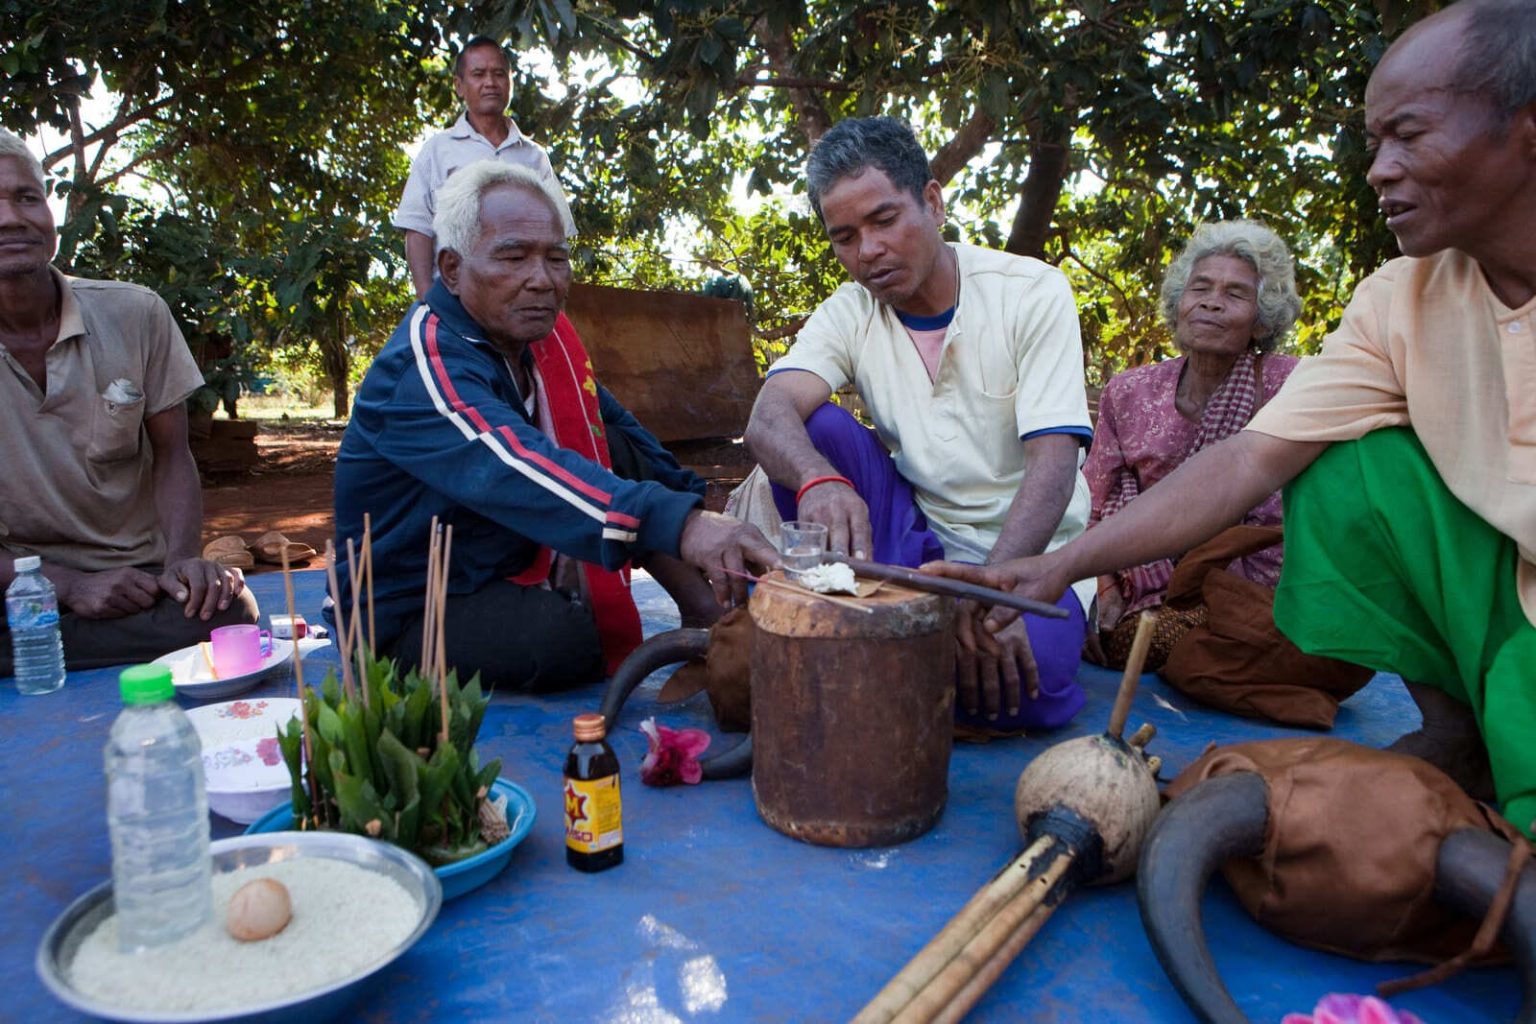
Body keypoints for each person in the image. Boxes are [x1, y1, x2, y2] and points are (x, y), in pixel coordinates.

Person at [927, 0, 1536, 833]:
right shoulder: (1399, 300)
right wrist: (1058, 568)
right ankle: (1460, 731)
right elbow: (1253, 459)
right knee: (1345, 459)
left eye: (1410, 134)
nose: (1379, 171)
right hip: (1487, 602)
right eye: (1373, 144)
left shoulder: (1286, 364)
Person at [336, 161, 777, 691]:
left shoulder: (533, 342)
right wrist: (681, 527)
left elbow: (616, 432)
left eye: (556, 258)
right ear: (451, 269)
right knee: (564, 640)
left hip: (499, 561)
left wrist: (694, 509)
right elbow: (516, 466)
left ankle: (704, 610)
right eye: (514, 257)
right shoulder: (424, 365)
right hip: (412, 605)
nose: (541, 280)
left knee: (609, 442)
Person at [743, 116, 1094, 731]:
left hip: (1023, 560)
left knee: (1025, 684)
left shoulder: (1031, 292)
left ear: (932, 201)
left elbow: (1055, 467)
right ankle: (902, 647)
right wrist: (818, 480)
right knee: (814, 433)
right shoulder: (850, 311)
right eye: (845, 237)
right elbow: (767, 417)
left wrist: (987, 594)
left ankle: (877, 652)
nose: (868, 251)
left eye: (884, 220)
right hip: (911, 546)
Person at [0, 130, 255, 673]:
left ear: (49, 211)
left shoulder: (135, 313)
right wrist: (66, 586)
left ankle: (38, 655)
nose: (12, 218)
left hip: (139, 582)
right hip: (19, 586)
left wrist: (183, 561)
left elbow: (172, 456)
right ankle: (62, 640)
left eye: (26, 197)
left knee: (227, 610)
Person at [1084, 219, 1300, 668]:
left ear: (1261, 322)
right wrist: (1105, 589)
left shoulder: (1291, 385)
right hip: (1137, 584)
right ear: (1179, 302)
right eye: (1200, 288)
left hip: (1250, 592)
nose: (1211, 304)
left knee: (1176, 650)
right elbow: (1095, 505)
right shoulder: (1129, 392)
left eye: (1234, 294)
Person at [393, 35, 577, 301]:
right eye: (478, 74)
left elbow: (558, 235)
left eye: (499, 74)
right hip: (456, 301)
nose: (490, 83)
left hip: (521, 301)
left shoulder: (533, 157)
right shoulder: (438, 150)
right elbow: (417, 229)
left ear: (510, 82)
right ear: (459, 85)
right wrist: (428, 302)